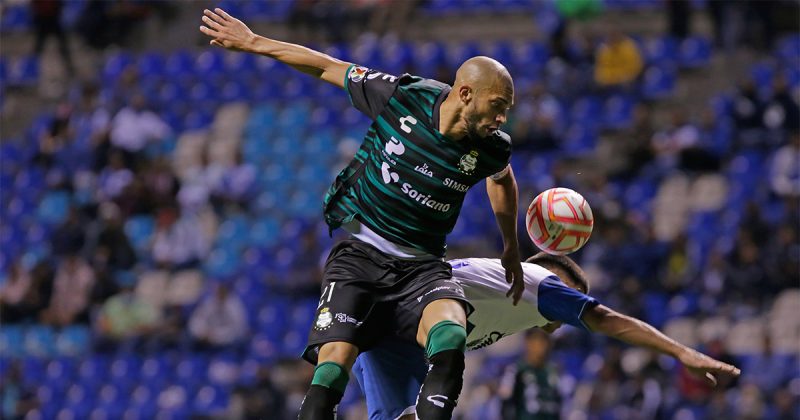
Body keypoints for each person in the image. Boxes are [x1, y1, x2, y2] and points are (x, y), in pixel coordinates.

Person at [200, 8, 524, 419]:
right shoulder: (405, 96)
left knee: (451, 336)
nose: (502, 118)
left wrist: (510, 245)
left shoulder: (493, 145)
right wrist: (253, 42)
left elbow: (503, 179)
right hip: (360, 255)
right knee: (332, 367)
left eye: (506, 110)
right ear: (464, 94)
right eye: (497, 106)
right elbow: (327, 66)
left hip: (422, 266)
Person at [352, 253, 741, 420]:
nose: (570, 307)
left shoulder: (516, 311)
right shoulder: (538, 283)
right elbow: (609, 320)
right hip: (388, 317)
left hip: (388, 333)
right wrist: (682, 352)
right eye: (571, 290)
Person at [499, 329, 562, 420]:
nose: (542, 346)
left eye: (545, 341)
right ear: (527, 342)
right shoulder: (516, 370)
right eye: (537, 341)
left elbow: (562, 401)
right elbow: (505, 402)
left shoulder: (555, 371)